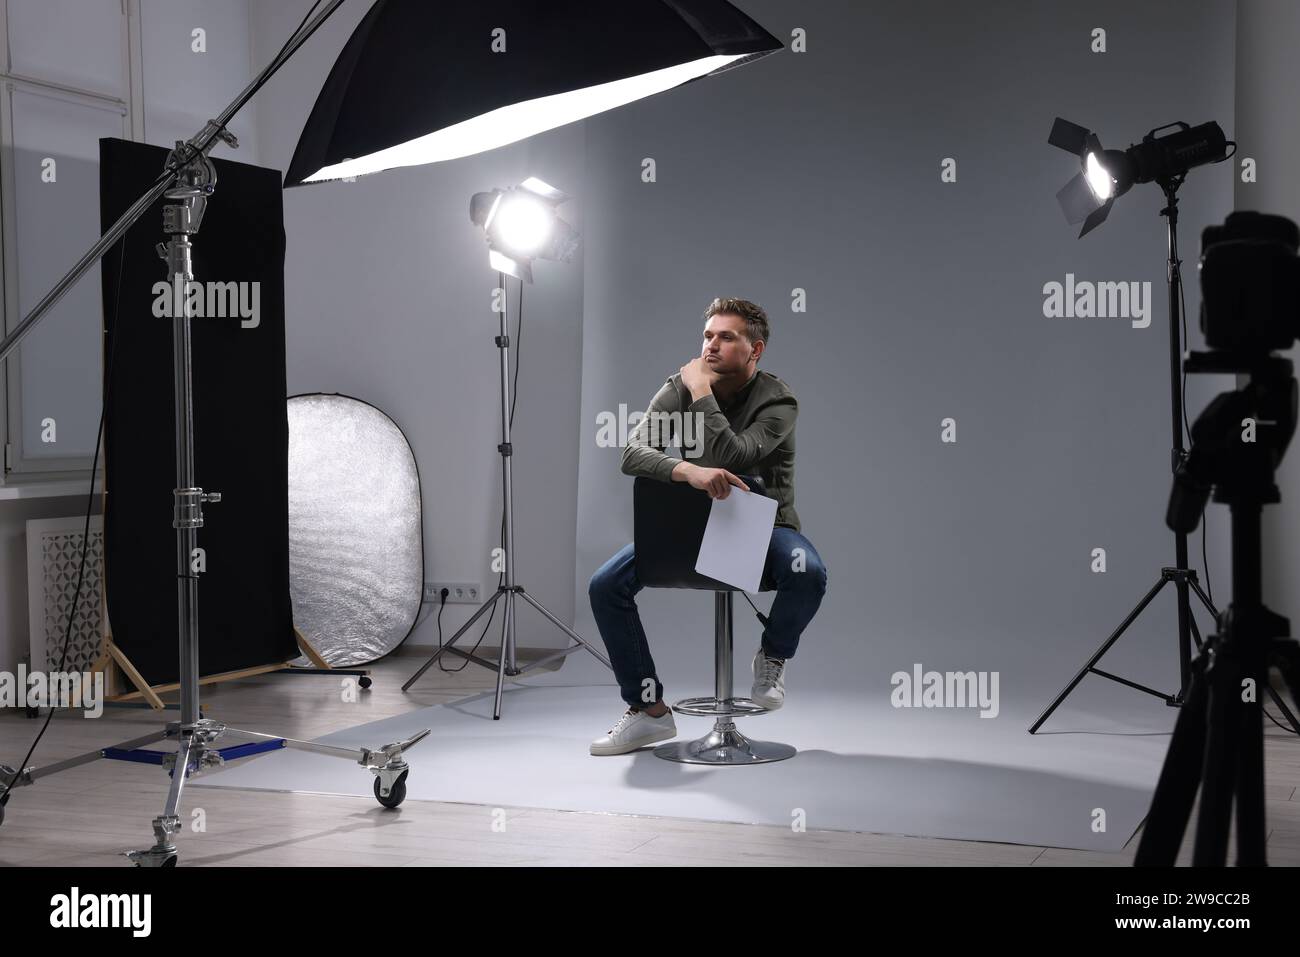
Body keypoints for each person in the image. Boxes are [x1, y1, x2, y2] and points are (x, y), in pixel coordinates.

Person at [587, 297, 827, 756]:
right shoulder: (682, 384)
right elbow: (632, 454)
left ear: (755, 351)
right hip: (695, 523)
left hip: (763, 525)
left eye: (726, 337)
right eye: (707, 336)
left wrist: (700, 394)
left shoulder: (779, 401)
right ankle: (648, 711)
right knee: (605, 585)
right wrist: (689, 471)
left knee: (808, 572)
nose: (711, 346)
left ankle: (773, 655)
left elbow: (736, 455)